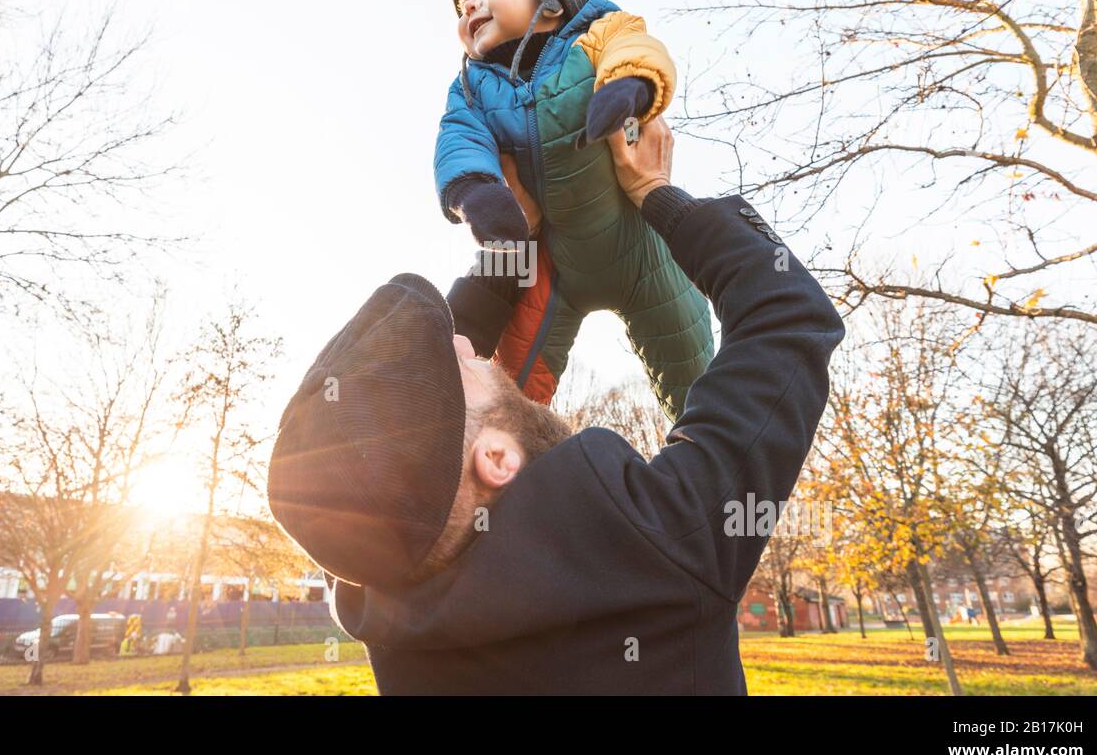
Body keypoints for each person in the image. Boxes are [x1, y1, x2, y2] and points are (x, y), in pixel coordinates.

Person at [267, 115, 846, 694]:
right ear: (495, 460)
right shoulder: (665, 539)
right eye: (462, 364)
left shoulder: (389, 597)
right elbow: (789, 319)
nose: (470, 343)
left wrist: (509, 252)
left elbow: (415, 451)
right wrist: (658, 194)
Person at [435, 0, 716, 421]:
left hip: (642, 245)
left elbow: (637, 50)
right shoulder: (473, 86)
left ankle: (718, 469)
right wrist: (476, 192)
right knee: (504, 398)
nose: (471, 3)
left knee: (695, 377)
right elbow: (459, 136)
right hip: (552, 262)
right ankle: (482, 460)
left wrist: (629, 87)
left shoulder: (602, 32)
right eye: (462, 3)